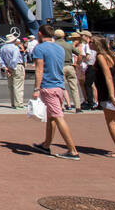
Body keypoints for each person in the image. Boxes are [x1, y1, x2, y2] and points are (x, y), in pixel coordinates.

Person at [30, 25, 80, 160]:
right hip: (59, 86)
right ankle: (46, 145)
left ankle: (72, 150)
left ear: (40, 34)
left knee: (57, 116)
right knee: (51, 117)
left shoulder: (39, 48)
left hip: (48, 86)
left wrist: (36, 89)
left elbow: (39, 69)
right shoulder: (59, 48)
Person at [0, 34, 24, 109]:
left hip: (7, 67)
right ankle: (19, 104)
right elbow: (14, 59)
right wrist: (11, 67)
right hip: (16, 66)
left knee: (11, 86)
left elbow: (1, 58)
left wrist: (5, 67)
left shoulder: (3, 48)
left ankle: (13, 103)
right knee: (18, 86)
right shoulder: (15, 48)